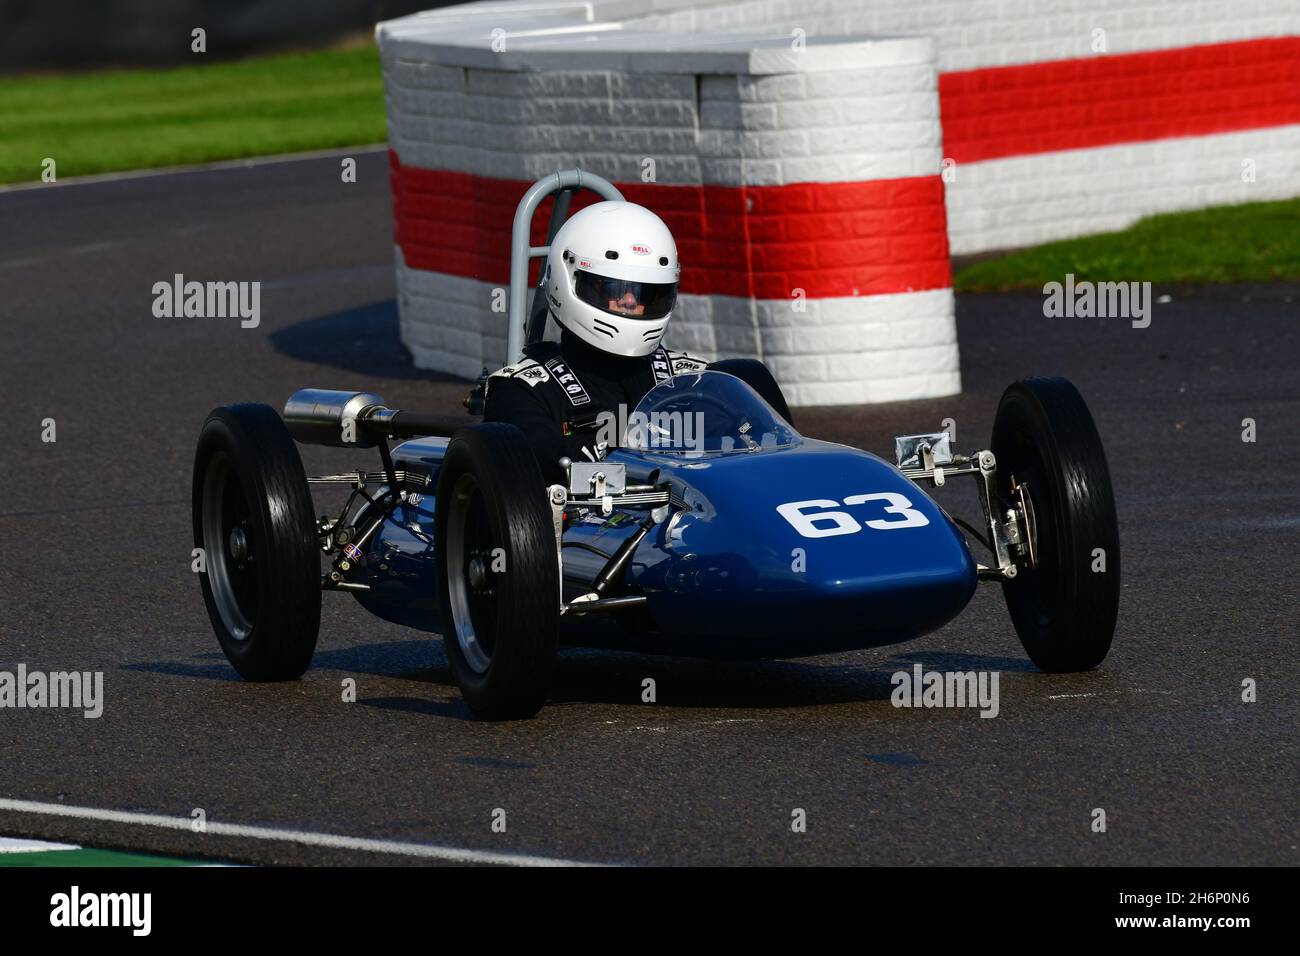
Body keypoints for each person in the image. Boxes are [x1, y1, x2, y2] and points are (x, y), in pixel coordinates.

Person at [483, 200, 709, 483]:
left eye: (644, 293)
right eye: (613, 289)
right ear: (570, 282)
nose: (629, 301)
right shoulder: (526, 392)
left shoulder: (694, 379)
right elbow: (544, 476)